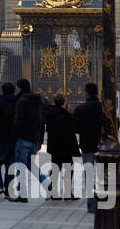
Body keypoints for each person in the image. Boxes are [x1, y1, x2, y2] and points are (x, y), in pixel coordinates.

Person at [11, 78, 46, 201]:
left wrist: (15, 135)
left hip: (23, 138)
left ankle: (22, 194)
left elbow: (18, 121)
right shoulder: (38, 101)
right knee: (31, 165)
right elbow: (42, 122)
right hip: (34, 139)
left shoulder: (21, 101)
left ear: (20, 87)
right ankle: (48, 184)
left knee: (20, 167)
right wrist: (40, 140)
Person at [72, 81, 104, 214]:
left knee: (89, 175)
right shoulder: (102, 107)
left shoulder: (81, 109)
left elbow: (75, 127)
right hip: (102, 144)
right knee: (104, 174)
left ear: (86, 93)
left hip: (86, 144)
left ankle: (92, 205)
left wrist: (84, 132)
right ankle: (105, 202)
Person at [44, 92, 80, 199]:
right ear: (64, 102)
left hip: (54, 146)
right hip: (65, 146)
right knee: (69, 168)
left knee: (56, 168)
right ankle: (68, 193)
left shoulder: (50, 113)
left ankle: (53, 192)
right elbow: (70, 133)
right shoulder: (65, 115)